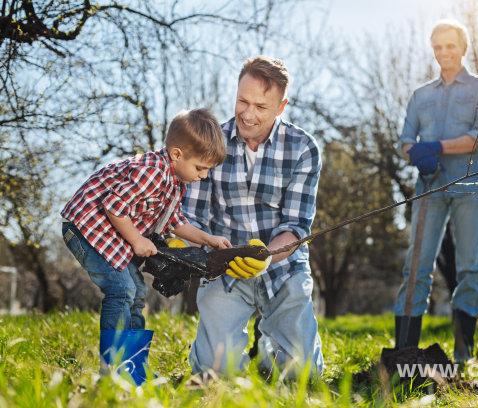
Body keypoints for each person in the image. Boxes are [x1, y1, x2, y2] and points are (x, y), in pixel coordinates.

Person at [60, 108, 259, 384]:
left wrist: (209, 239)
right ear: (177, 154)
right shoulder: (152, 171)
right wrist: (138, 240)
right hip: (86, 227)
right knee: (122, 289)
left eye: (208, 170)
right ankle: (114, 370)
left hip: (111, 233)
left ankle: (133, 367)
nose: (203, 175)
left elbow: (176, 222)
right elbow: (114, 206)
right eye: (200, 168)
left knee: (136, 293)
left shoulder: (176, 183)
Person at [184, 56, 324, 378]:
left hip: (283, 269)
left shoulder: (303, 148)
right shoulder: (210, 143)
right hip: (225, 270)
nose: (248, 115)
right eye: (242, 101)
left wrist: (266, 257)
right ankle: (218, 347)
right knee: (214, 375)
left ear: (281, 106)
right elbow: (193, 215)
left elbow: (296, 225)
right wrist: (209, 251)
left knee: (302, 378)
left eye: (261, 107)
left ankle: (267, 347)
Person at [394, 19, 478, 364]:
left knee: (470, 267)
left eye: (450, 46)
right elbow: (406, 142)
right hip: (429, 188)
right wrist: (417, 155)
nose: (443, 53)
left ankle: (463, 354)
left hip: (470, 185)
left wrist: (437, 146)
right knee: (416, 268)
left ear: (463, 48)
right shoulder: (420, 96)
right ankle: (405, 353)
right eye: (437, 47)